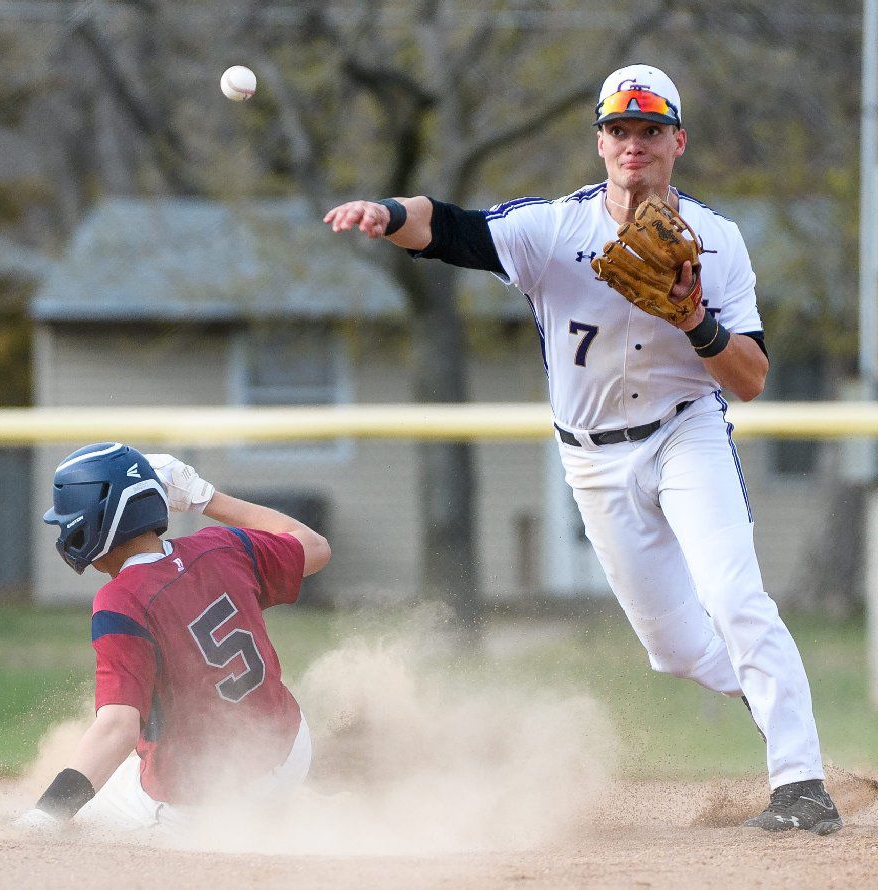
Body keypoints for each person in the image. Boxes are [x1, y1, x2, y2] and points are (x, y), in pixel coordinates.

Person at [324, 63, 841, 834]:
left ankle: (801, 784)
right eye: (620, 129)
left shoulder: (720, 243)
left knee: (737, 599)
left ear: (678, 141)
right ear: (601, 142)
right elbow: (452, 228)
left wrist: (697, 319)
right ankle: (776, 701)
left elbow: (753, 378)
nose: (636, 142)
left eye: (651, 129)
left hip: (684, 433)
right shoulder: (554, 230)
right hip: (592, 458)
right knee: (676, 650)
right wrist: (387, 211)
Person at [13, 442, 330, 834]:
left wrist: (49, 813)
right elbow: (315, 546)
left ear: (95, 523)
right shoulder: (222, 546)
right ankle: (291, 801)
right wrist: (207, 498)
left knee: (87, 822)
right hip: (291, 747)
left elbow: (118, 727)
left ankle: (267, 818)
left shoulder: (121, 600)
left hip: (214, 800)